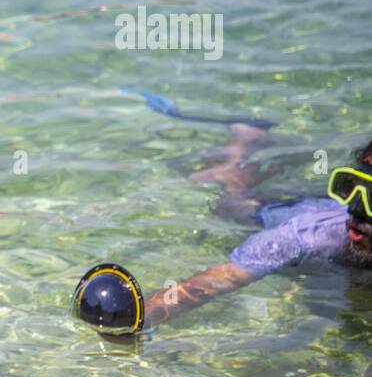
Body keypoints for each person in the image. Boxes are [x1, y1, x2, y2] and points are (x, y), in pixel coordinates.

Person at [122, 126, 372, 329]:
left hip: (318, 207)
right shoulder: (303, 237)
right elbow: (215, 281)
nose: (355, 209)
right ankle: (239, 154)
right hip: (292, 212)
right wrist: (135, 320)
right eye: (350, 187)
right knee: (234, 207)